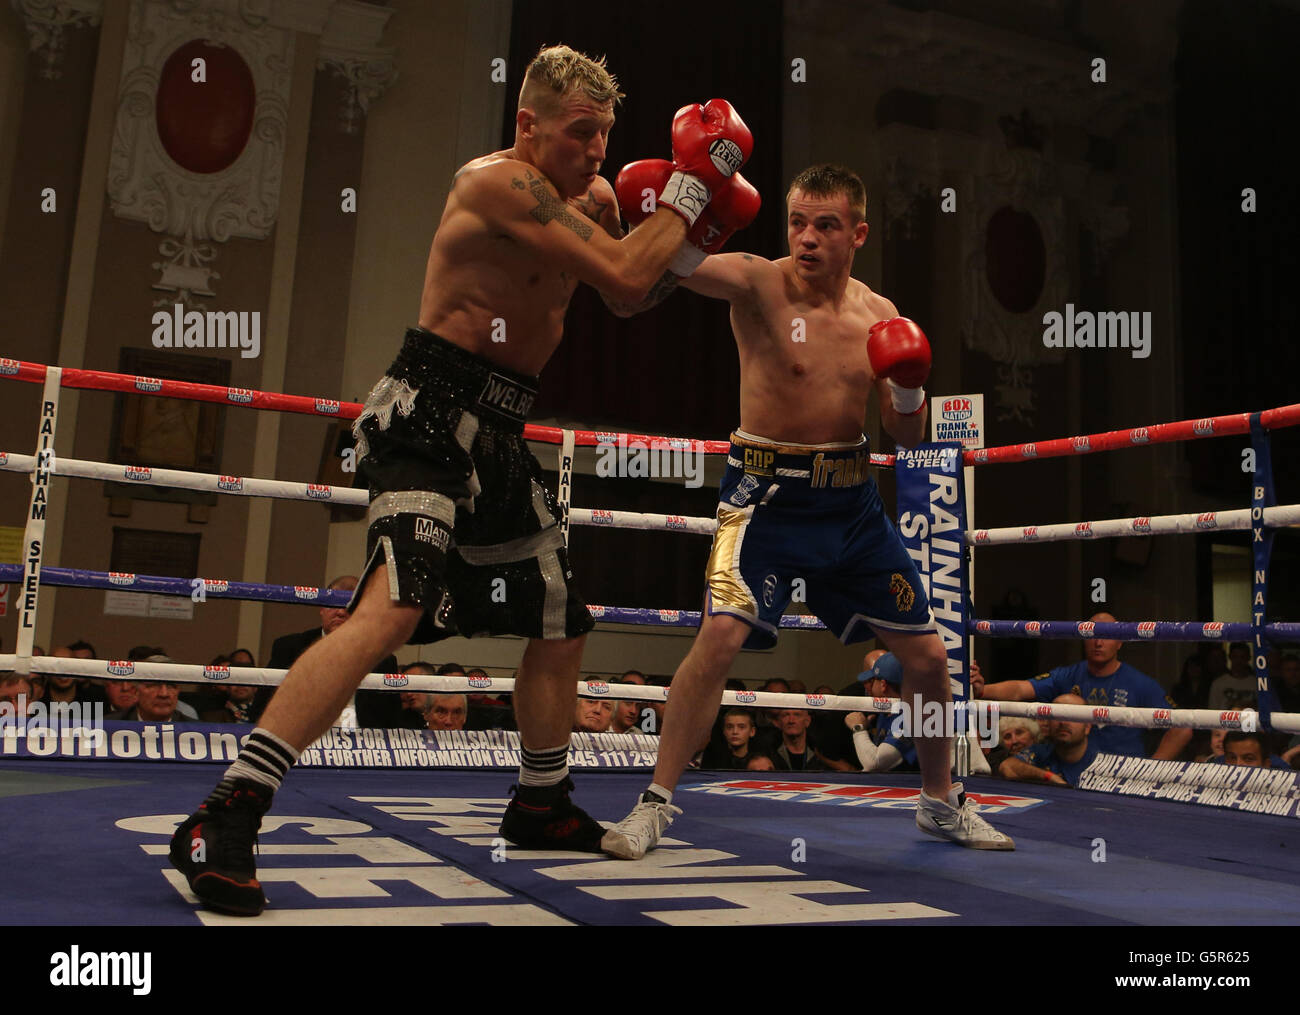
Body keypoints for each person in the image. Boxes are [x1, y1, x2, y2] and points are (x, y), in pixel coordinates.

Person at [168, 42, 753, 915]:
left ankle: (541, 801)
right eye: (579, 133)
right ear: (528, 124)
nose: (596, 154)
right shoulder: (497, 184)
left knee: (561, 621)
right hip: (430, 408)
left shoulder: (591, 197)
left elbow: (630, 294)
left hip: (506, 425)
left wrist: (693, 237)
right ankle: (227, 811)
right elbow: (630, 266)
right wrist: (694, 192)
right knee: (392, 608)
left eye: (605, 136)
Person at [604, 164, 1013, 858]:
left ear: (857, 232)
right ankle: (655, 802)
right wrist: (680, 199)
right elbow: (667, 267)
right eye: (797, 222)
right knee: (720, 640)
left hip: (849, 505)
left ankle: (941, 801)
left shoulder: (880, 316)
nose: (807, 238)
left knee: (928, 656)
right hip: (762, 497)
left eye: (825, 225)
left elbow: (907, 439)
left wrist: (911, 388)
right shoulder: (758, 282)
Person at [978, 612, 1183, 759]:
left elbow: (1183, 728)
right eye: (1092, 636)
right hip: (1075, 771)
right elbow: (1020, 689)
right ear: (1083, 640)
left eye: (1107, 636)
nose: (1098, 643)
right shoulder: (1067, 675)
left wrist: (1153, 767)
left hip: (1124, 773)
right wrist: (981, 690)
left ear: (1119, 642)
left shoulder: (1140, 683)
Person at [995, 693, 1098, 787]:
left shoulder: (1105, 759)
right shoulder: (1040, 752)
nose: (1062, 722)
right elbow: (1007, 767)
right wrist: (1050, 777)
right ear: (1048, 723)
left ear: (1087, 727)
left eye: (1072, 716)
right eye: (1057, 715)